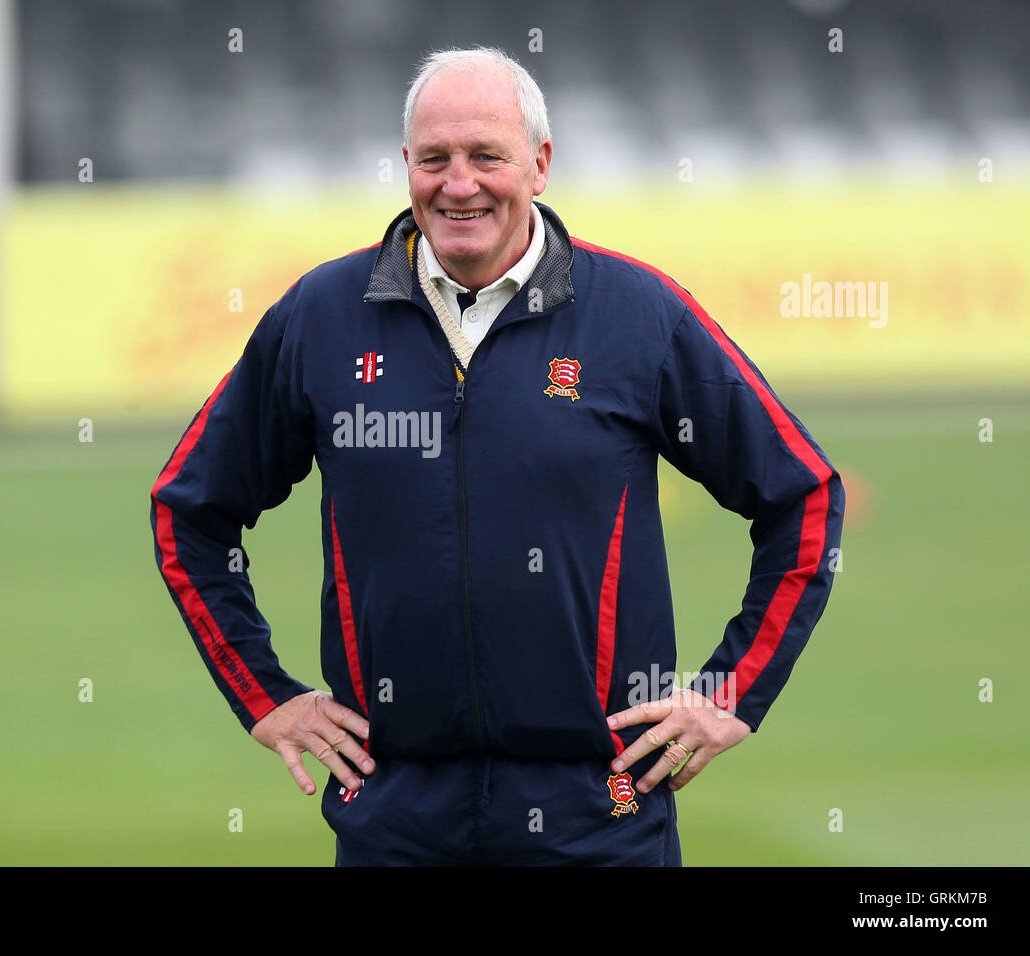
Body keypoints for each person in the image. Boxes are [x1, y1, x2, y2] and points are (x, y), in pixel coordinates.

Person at [150, 45, 845, 866]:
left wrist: (729, 694)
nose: (459, 184)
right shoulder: (321, 317)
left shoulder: (637, 314)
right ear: (406, 164)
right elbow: (189, 509)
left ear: (540, 164)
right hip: (395, 817)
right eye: (434, 159)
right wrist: (266, 696)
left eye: (487, 156)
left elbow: (803, 495)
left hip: (601, 814)